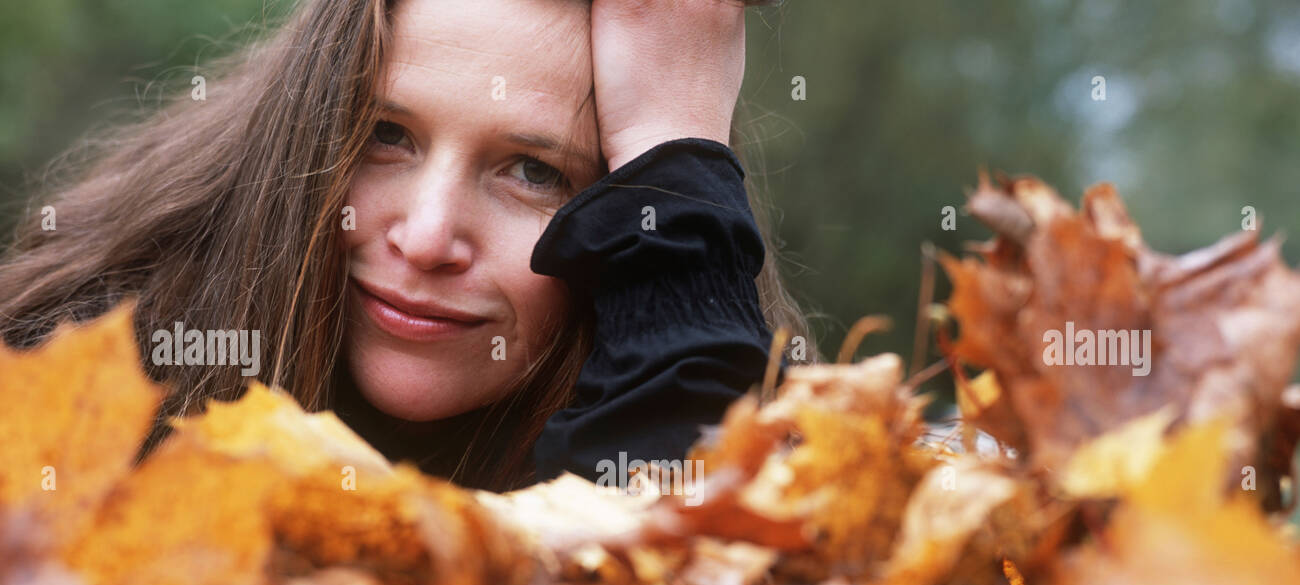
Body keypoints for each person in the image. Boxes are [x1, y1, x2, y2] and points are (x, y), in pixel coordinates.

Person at [0, 0, 814, 492]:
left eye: (533, 170)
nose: (427, 239)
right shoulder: (67, 385)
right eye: (385, 135)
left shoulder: (824, 479)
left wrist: (671, 154)